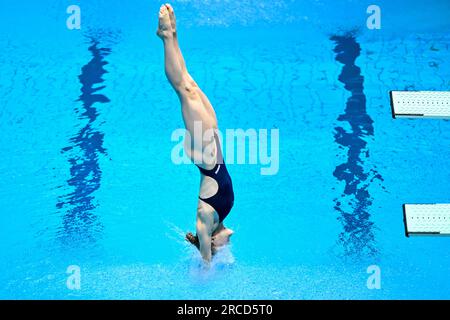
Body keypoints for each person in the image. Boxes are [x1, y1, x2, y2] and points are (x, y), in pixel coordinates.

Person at [157, 4, 234, 262]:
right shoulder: (222, 215)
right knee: (190, 83)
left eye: (222, 246)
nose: (229, 242)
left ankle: (167, 36)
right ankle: (172, 35)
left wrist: (207, 264)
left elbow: (205, 267)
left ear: (211, 241)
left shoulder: (205, 219)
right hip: (212, 140)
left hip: (203, 151)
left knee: (184, 89)